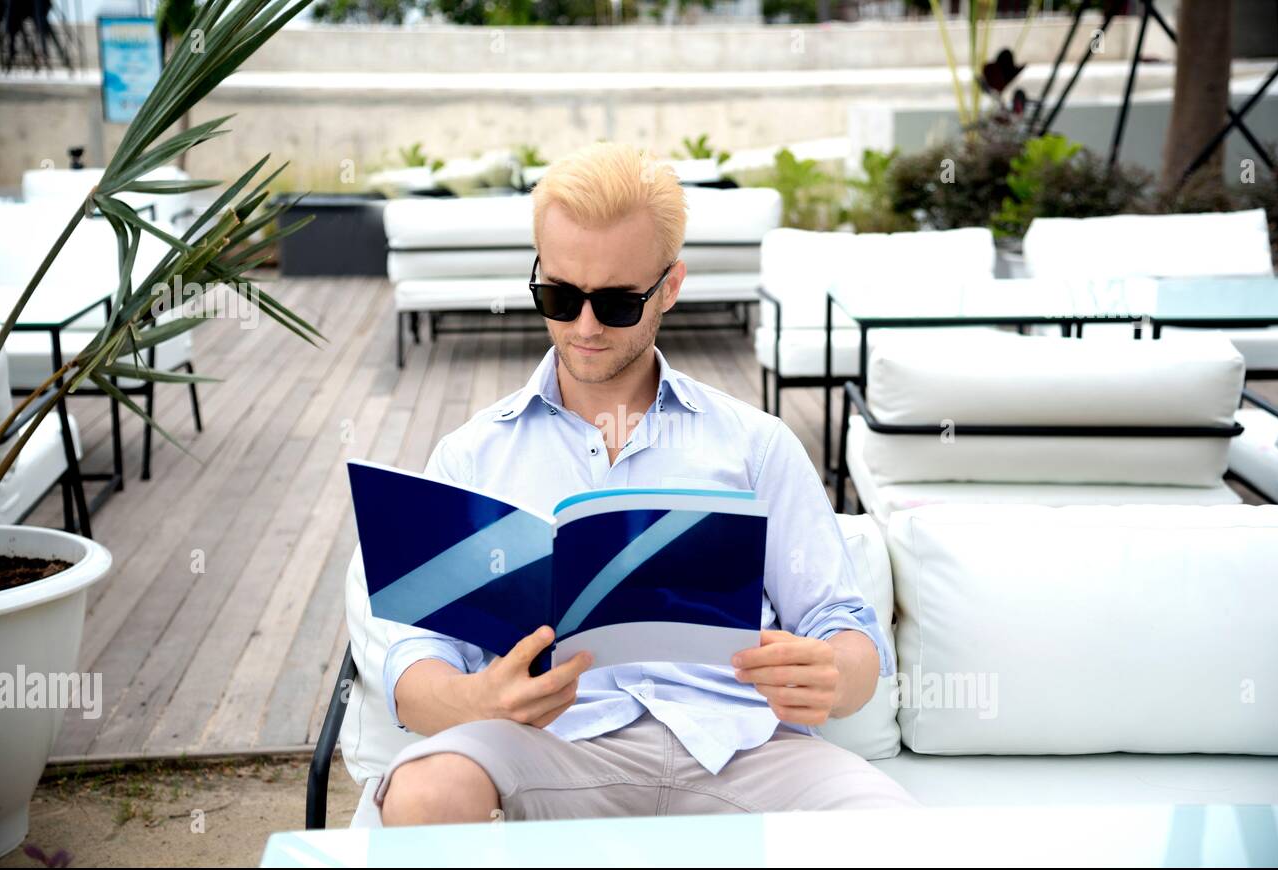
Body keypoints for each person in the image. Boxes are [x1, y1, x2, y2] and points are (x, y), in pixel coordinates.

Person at [348, 141, 921, 825]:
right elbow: (417, 655)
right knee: (424, 793)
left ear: (669, 288)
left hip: (740, 747)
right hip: (548, 745)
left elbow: (846, 625)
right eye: (559, 295)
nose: (583, 326)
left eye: (616, 303)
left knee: (893, 828)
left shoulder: (754, 445)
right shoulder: (476, 455)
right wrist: (480, 701)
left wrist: (834, 674)